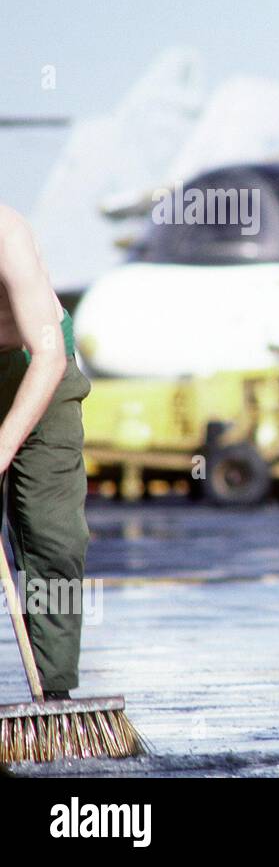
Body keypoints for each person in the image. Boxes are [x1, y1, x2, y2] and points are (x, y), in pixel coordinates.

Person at [0, 205, 92, 700]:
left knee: (53, 536)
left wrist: (3, 444)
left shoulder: (6, 234)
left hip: (40, 366)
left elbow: (50, 355)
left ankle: (53, 689)